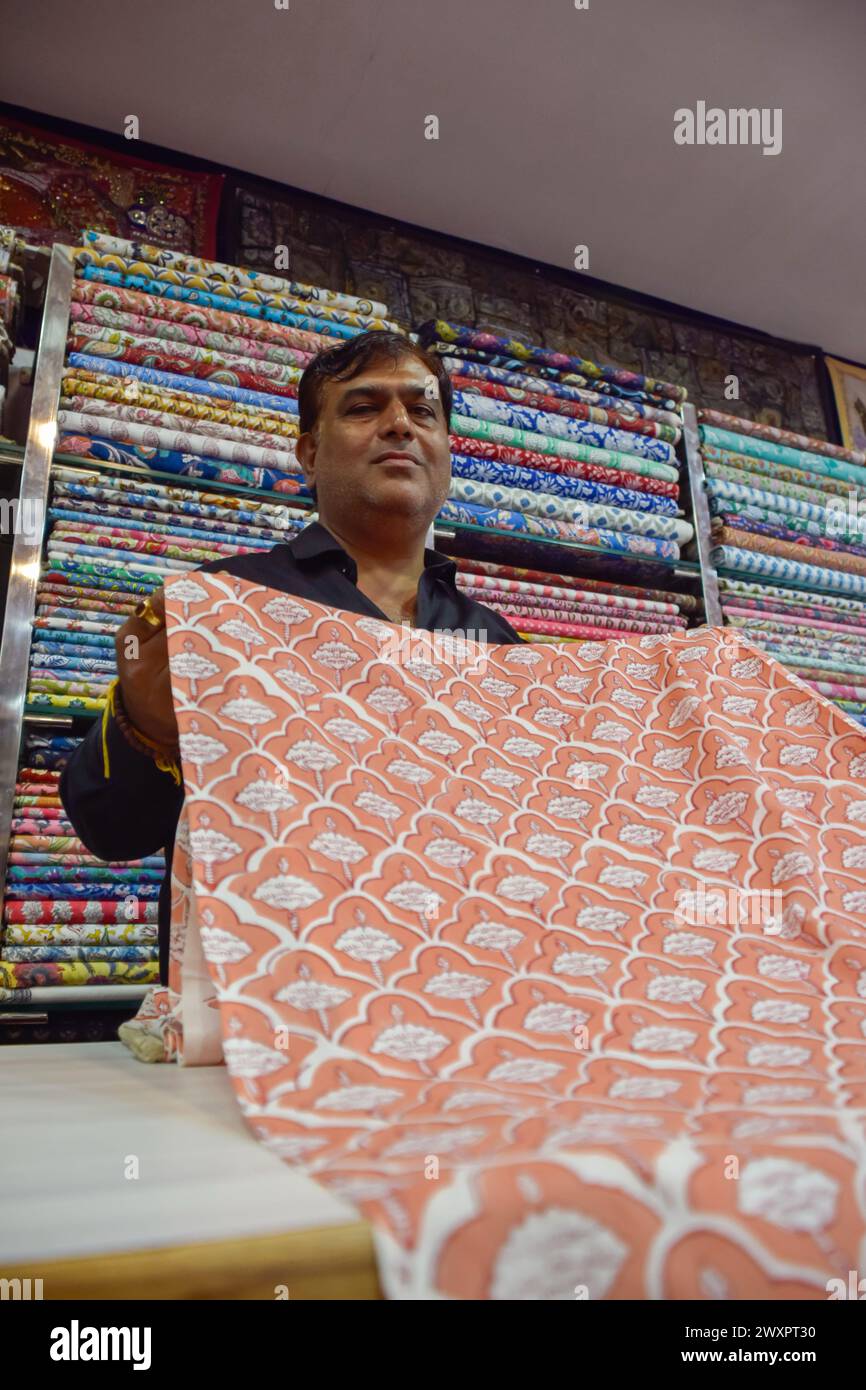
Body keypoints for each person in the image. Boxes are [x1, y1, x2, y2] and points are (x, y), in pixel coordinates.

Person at [60, 330, 527, 983]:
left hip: (462, 1008)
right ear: (309, 451)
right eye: (364, 408)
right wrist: (150, 730)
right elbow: (111, 831)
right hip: (261, 1020)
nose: (399, 424)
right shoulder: (219, 606)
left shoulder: (499, 648)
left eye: (423, 412)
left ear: (446, 450)